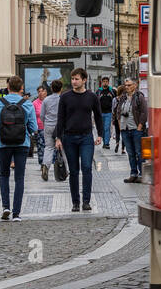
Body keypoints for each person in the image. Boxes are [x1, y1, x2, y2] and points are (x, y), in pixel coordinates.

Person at [53, 68, 104, 211]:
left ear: (84, 80)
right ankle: (75, 202)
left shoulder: (92, 97)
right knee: (74, 171)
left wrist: (100, 134)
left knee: (87, 168)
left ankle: (86, 201)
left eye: (77, 79)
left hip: (86, 137)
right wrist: (58, 137)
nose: (74, 82)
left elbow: (98, 116)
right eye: (73, 79)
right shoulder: (65, 97)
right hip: (69, 137)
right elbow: (60, 118)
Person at [0, 76, 37, 222]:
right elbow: (33, 128)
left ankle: (6, 207)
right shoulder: (27, 104)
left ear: (8, 87)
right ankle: (16, 213)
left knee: (4, 175)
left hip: (3, 143)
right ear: (21, 88)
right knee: (20, 178)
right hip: (22, 144)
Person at [114, 77, 148, 183]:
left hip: (135, 129)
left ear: (135, 85)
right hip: (125, 129)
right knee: (130, 153)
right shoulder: (123, 97)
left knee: (139, 152)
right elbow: (118, 111)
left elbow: (144, 112)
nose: (127, 87)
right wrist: (120, 125)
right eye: (126, 85)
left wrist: (140, 127)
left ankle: (142, 175)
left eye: (129, 85)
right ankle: (133, 173)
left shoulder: (139, 97)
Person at [40, 79, 62, 181]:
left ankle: (45, 166)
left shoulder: (46, 100)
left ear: (51, 88)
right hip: (60, 126)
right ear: (61, 88)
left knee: (48, 147)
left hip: (48, 125)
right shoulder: (62, 99)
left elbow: (42, 115)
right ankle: (66, 168)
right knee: (63, 148)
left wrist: (45, 124)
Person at [97, 77, 117, 151]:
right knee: (102, 128)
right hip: (100, 112)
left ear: (108, 82)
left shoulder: (112, 91)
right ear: (102, 82)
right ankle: (103, 141)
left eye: (106, 81)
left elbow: (116, 100)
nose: (105, 83)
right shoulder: (99, 91)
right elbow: (96, 102)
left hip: (109, 112)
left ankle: (106, 143)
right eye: (104, 81)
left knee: (107, 128)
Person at [33, 85, 48, 167]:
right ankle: (42, 163)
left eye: (42, 91)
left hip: (49, 128)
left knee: (49, 147)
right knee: (40, 147)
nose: (40, 93)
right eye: (39, 92)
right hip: (39, 128)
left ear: (46, 92)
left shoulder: (49, 101)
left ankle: (48, 163)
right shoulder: (35, 103)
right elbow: (32, 117)